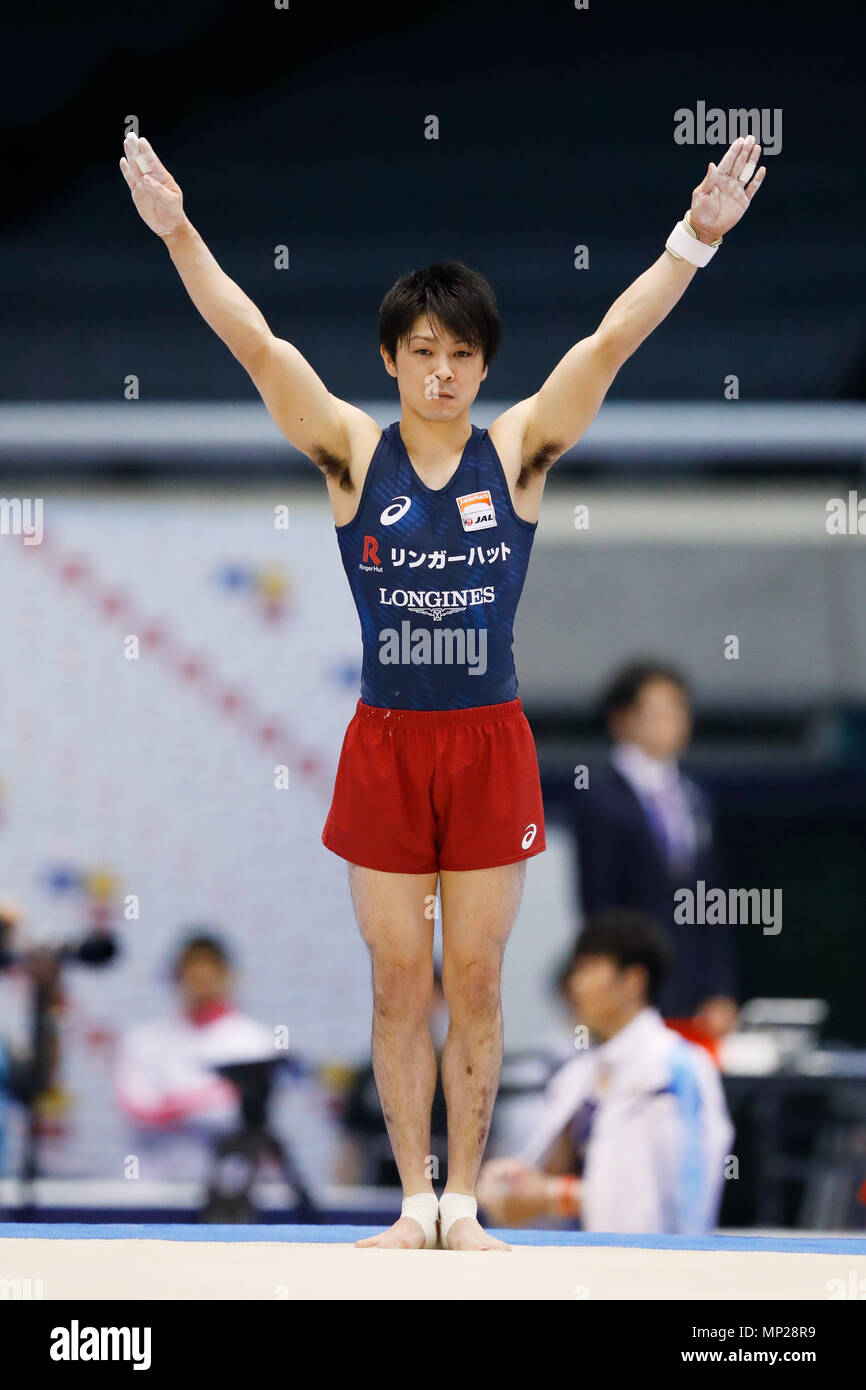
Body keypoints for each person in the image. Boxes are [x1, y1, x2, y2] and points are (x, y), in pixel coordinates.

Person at [120, 128, 765, 1249]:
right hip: (384, 739)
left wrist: (691, 240)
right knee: (394, 980)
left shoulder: (514, 450)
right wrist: (177, 229)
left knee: (474, 973)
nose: (440, 369)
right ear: (389, 361)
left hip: (486, 739)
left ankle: (461, 1205)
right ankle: (408, 1201)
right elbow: (255, 342)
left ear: (482, 364)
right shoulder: (348, 456)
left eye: (459, 352)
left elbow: (608, 344)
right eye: (421, 349)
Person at [478, 910, 734, 1234]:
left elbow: (687, 1197)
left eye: (588, 968)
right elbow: (545, 1174)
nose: (575, 985)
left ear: (632, 981)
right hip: (577, 1262)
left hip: (657, 1265)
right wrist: (509, 1182)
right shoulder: (577, 1076)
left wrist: (555, 1197)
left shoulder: (679, 1068)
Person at [573, 660, 738, 1039]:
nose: (674, 721)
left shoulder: (694, 797)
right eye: (659, 711)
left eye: (679, 709)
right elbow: (599, 902)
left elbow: (711, 897)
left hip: (696, 991)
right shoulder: (601, 798)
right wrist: (613, 982)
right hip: (632, 988)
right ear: (623, 719)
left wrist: (720, 988)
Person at [113, 933, 276, 1180]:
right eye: (192, 972)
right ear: (177, 977)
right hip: (153, 1190)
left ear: (226, 976)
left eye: (209, 973)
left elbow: (240, 1116)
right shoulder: (142, 1041)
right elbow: (138, 1111)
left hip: (229, 1195)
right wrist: (217, 1093)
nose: (201, 982)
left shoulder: (257, 1043)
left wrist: (174, 1105)